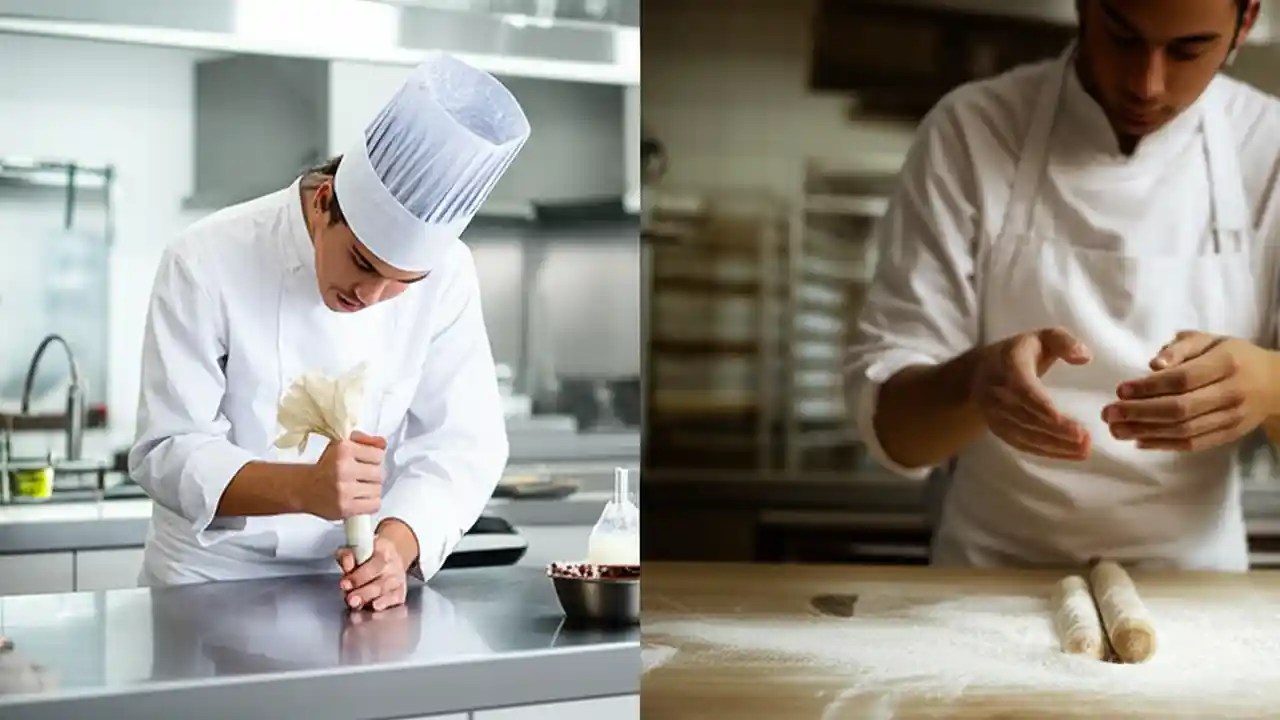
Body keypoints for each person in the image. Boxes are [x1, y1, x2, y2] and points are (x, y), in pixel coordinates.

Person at [846, 0, 1280, 572]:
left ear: (1245, 24)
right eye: (1123, 37)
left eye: (1188, 49)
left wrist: (1269, 385)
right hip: (985, 588)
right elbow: (899, 436)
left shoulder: (1267, 146)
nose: (1147, 84)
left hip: (1196, 591)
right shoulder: (972, 129)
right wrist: (974, 382)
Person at [129, 52, 531, 610]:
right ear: (324, 203)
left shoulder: (451, 275)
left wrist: (395, 546)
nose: (372, 296)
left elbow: (464, 445)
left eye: (402, 283)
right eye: (363, 264)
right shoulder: (204, 259)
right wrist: (304, 489)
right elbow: (166, 447)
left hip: (353, 591)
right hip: (209, 584)